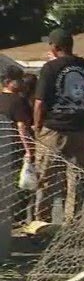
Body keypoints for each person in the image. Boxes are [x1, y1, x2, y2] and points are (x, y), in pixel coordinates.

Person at [32, 28, 84, 223]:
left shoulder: (50, 68)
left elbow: (40, 102)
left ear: (55, 46)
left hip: (54, 128)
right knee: (76, 180)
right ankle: (72, 222)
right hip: (81, 129)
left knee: (46, 179)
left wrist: (37, 128)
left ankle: (42, 223)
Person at [1, 66, 36, 225]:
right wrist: (29, 150)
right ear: (8, 82)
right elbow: (22, 127)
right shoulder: (18, 101)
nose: (22, 82)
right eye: (19, 80)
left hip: (2, 147)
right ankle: (16, 218)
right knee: (19, 185)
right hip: (15, 149)